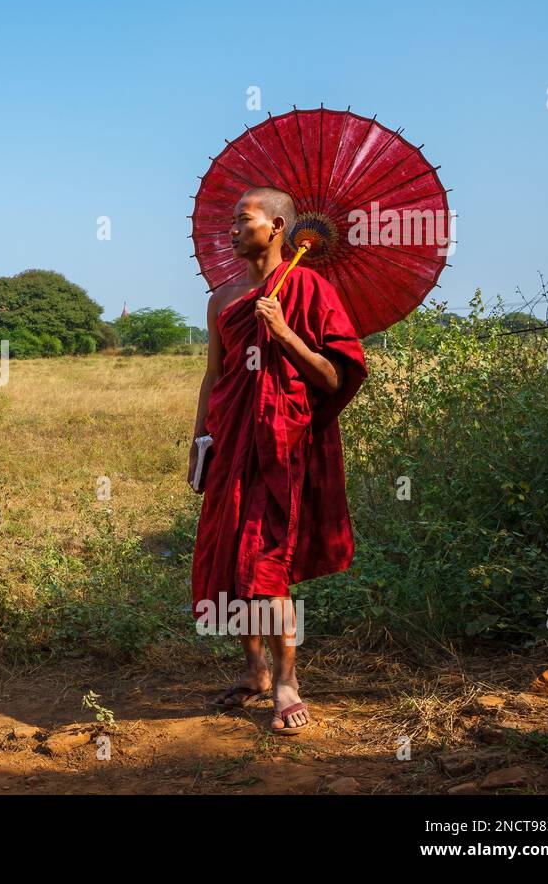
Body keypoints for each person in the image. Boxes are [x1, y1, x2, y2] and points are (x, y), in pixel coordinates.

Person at [189, 187, 366, 735]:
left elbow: (336, 376)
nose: (233, 230)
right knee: (230, 556)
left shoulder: (310, 290)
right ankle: (254, 670)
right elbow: (213, 377)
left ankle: (287, 682)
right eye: (232, 222)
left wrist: (284, 332)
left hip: (282, 446)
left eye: (244, 220)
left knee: (267, 565)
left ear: (279, 225)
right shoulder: (221, 299)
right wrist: (199, 443)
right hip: (231, 443)